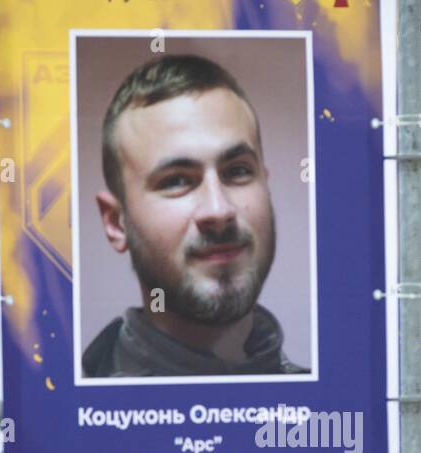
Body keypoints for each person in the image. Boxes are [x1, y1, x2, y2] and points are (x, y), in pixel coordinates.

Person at [81, 54, 307, 377]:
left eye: (238, 171)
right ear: (117, 223)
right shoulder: (68, 418)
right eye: (176, 181)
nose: (219, 210)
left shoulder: (326, 407)